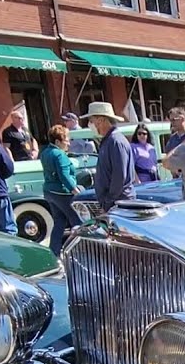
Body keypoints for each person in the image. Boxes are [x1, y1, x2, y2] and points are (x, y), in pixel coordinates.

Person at [82, 101, 136, 212]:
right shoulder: (108, 141)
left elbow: (119, 175)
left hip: (120, 203)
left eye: (91, 121)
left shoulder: (115, 141)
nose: (90, 124)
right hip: (114, 202)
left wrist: (109, 200)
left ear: (101, 120)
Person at [40, 124, 84, 256]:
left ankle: (53, 253)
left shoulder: (45, 152)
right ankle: (80, 252)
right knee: (78, 222)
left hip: (49, 192)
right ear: (58, 141)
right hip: (62, 193)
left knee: (59, 223)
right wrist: (75, 190)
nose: (68, 144)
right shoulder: (60, 155)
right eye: (66, 140)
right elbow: (64, 175)